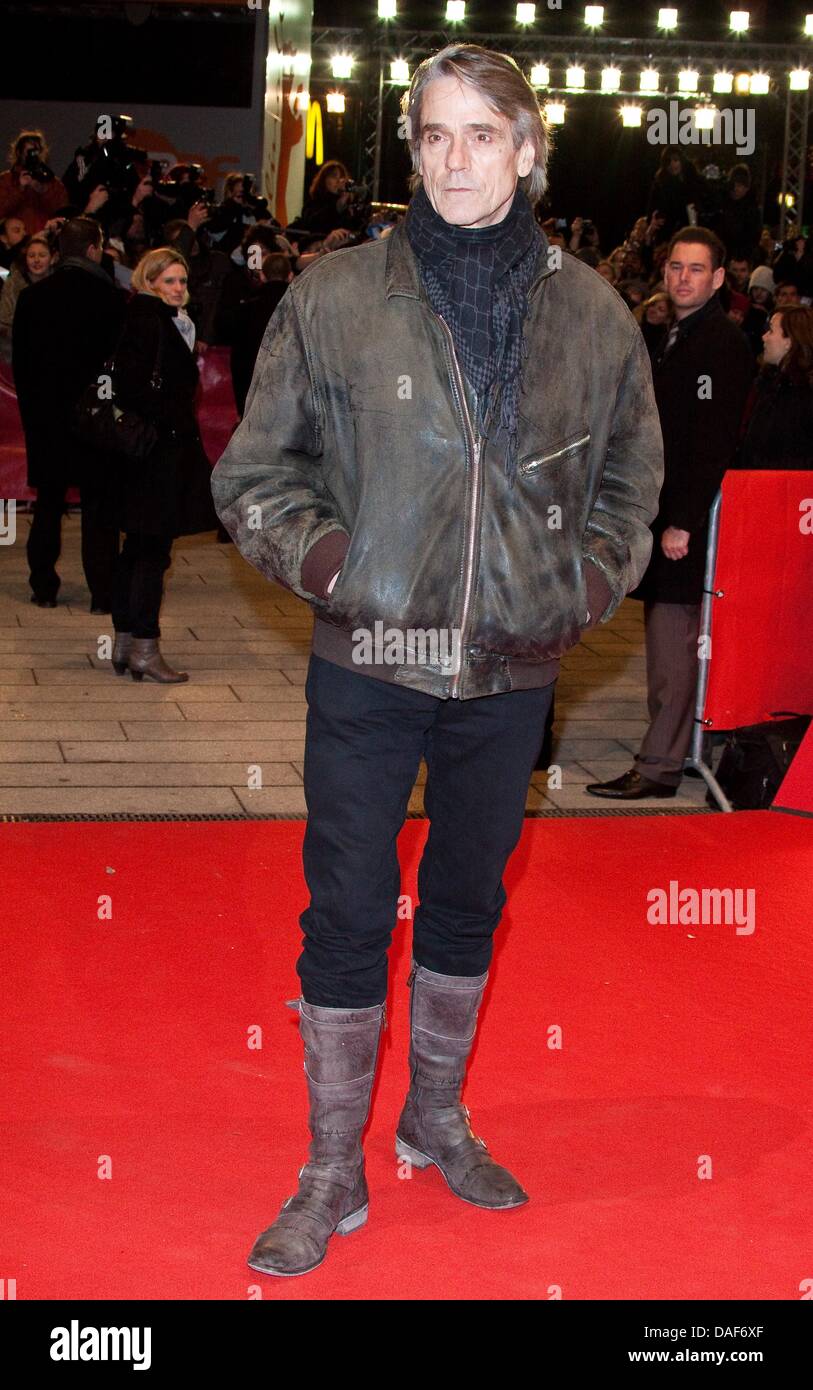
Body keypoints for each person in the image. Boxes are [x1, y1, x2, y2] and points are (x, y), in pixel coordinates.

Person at [211, 41, 663, 1278]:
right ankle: (329, 1163)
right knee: (348, 909)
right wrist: (335, 567)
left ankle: (436, 1112)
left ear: (526, 148)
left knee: (469, 900)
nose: (454, 160)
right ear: (410, 151)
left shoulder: (596, 314)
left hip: (513, 673)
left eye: (481, 134)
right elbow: (252, 475)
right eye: (432, 135)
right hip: (369, 666)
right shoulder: (338, 296)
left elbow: (634, 475)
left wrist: (584, 581)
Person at [586, 226, 755, 801]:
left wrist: (683, 519)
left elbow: (712, 441)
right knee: (671, 639)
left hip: (689, 522)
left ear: (718, 279)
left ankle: (659, 765)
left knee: (674, 644)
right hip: (667, 515)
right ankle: (679, 752)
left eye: (696, 270)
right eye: (676, 268)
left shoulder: (721, 343)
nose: (683, 278)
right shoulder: (676, 335)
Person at [109, 247, 218, 681]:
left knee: (135, 549)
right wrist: (169, 419)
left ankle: (125, 642)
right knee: (152, 552)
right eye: (170, 280)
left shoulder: (154, 321)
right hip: (157, 455)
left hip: (139, 454)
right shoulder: (152, 323)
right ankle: (145, 649)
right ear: (149, 280)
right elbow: (140, 389)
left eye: (183, 281)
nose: (179, 289)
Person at [11, 217, 125, 609]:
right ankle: (102, 593)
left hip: (46, 420)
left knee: (48, 504)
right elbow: (116, 367)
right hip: (95, 419)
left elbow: (20, 367)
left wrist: (34, 414)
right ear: (94, 249)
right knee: (98, 508)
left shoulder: (32, 298)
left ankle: (43, 588)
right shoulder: (111, 300)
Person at [736, 306, 813, 470]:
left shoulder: (804, 395)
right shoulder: (768, 384)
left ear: (789, 341)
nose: (764, 337)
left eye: (770, 331)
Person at [229, 250, 292, 416]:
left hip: (256, 396)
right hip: (294, 396)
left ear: (262, 276)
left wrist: (242, 406)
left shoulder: (246, 310)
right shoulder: (303, 308)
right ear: (290, 275)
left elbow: (239, 362)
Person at [0, 131, 69, 236]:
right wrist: (19, 189)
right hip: (15, 243)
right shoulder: (6, 180)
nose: (34, 156)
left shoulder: (52, 183)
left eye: (37, 151)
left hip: (44, 239)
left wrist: (43, 190)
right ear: (19, 152)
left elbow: (63, 213)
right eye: (29, 152)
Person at [0, 233, 55, 359]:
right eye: (31, 256)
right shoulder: (14, 282)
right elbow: (4, 320)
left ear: (52, 258)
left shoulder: (58, 282)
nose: (36, 260)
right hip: (15, 348)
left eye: (42, 255)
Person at [299, 161, 361, 234]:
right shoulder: (313, 204)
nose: (339, 181)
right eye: (334, 176)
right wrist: (338, 205)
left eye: (341, 177)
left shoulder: (348, 206)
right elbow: (314, 224)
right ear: (323, 180)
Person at [634, 290, 673, 357]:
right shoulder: (634, 322)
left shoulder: (662, 343)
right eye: (652, 305)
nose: (653, 310)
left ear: (667, 319)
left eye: (661, 309)